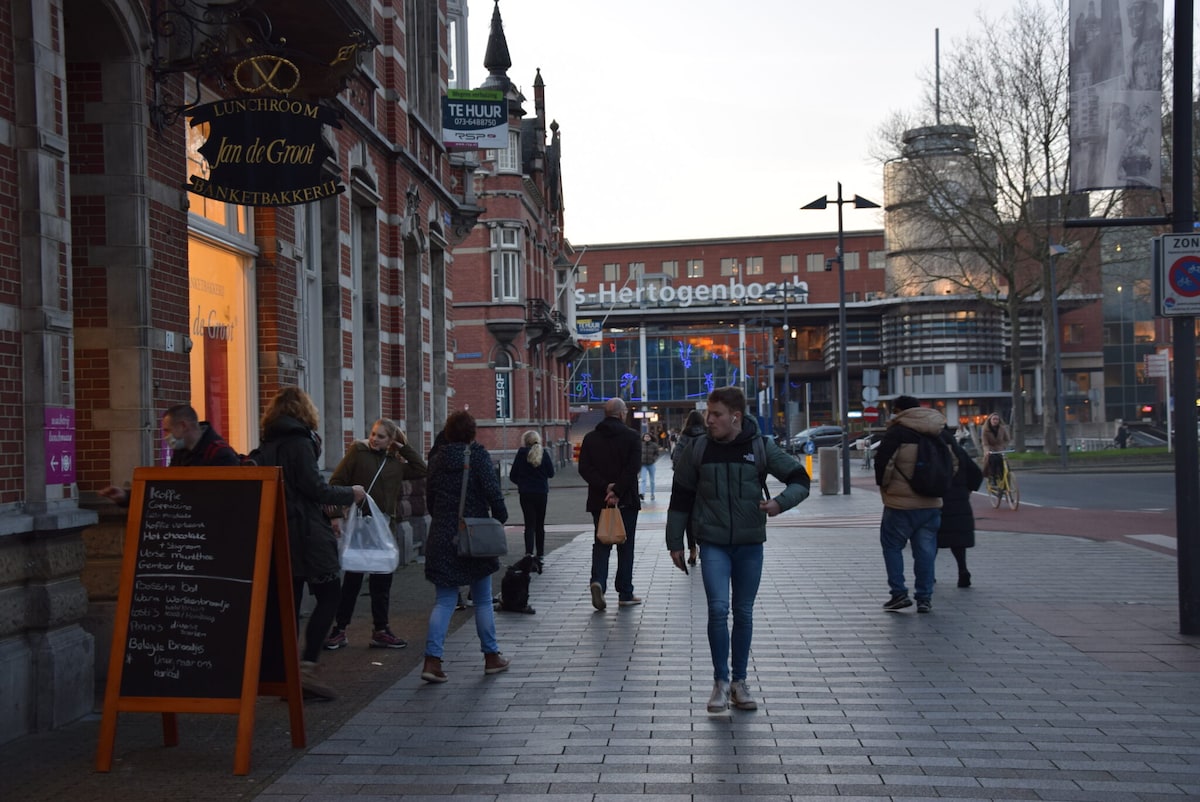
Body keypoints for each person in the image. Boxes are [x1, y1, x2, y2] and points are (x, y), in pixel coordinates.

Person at [666, 386, 810, 713]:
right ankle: (720, 681)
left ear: (735, 417)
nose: (709, 420)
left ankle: (739, 683)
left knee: (743, 612)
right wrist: (675, 542)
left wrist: (780, 503)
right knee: (718, 610)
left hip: (749, 545)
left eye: (716, 414)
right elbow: (681, 495)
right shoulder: (699, 448)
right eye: (708, 413)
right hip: (713, 543)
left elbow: (800, 480)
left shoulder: (760, 447)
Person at [258, 386, 365, 700]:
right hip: (306, 534)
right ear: (304, 411)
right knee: (330, 595)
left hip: (280, 533)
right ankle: (306, 668)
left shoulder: (268, 443)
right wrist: (351, 493)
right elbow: (315, 488)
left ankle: (287, 674)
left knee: (288, 604)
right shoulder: (299, 442)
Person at [420, 410, 510, 683]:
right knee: (482, 599)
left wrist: (444, 519)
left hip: (442, 537)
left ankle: (432, 661)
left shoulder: (437, 459)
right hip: (474, 536)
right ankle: (491, 656)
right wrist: (500, 517)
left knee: (445, 601)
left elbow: (430, 499)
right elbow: (493, 492)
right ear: (472, 432)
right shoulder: (478, 457)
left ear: (447, 432)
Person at [324, 418, 428, 651]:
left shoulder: (396, 464)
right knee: (352, 581)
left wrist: (403, 447)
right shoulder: (358, 453)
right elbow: (336, 482)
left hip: (384, 529)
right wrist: (335, 515)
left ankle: (381, 630)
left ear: (390, 440)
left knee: (382, 583)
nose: (374, 439)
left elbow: (421, 469)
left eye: (381, 436)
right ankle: (339, 629)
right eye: (373, 434)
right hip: (361, 528)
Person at [874, 395, 950, 615]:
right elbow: (953, 463)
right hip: (931, 503)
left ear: (899, 410)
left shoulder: (897, 432)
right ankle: (924, 598)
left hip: (900, 504)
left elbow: (883, 465)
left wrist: (887, 488)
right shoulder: (939, 431)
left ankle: (899, 594)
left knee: (892, 546)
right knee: (925, 551)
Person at [100, 404, 240, 504]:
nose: (166, 436)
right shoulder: (181, 452)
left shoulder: (219, 454)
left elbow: (226, 499)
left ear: (183, 426)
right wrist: (127, 497)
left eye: (168, 430)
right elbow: (167, 490)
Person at [578, 397, 642, 611]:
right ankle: (625, 592)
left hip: (600, 500)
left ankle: (598, 581)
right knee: (626, 545)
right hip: (627, 501)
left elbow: (584, 468)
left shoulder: (590, 438)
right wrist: (618, 490)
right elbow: (633, 468)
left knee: (601, 542)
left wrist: (605, 487)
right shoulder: (632, 437)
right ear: (622, 413)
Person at [937, 425, 984, 589]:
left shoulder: (931, 449)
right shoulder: (958, 451)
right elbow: (976, 473)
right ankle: (962, 569)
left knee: (930, 538)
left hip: (936, 501)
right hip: (959, 502)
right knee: (957, 541)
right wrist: (967, 489)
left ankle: (929, 574)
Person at [509, 430, 555, 563]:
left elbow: (513, 475)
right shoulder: (543, 453)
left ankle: (528, 553)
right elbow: (551, 473)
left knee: (529, 524)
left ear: (525, 441)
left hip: (526, 494)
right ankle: (540, 554)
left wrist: (522, 483)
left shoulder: (521, 454)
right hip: (541, 493)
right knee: (540, 524)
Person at [672, 409, 707, 566]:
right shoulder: (708, 436)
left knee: (689, 520)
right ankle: (706, 547)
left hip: (688, 486)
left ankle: (692, 550)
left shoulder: (684, 437)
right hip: (706, 485)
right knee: (707, 516)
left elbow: (676, 459)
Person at [981, 413, 1011, 478]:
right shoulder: (985, 430)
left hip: (1000, 448)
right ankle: (992, 476)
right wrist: (987, 451)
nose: (995, 421)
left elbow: (1007, 439)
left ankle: (1006, 475)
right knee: (992, 460)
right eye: (994, 419)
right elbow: (985, 443)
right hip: (990, 449)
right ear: (990, 420)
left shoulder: (1002, 429)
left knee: (1003, 461)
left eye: (997, 419)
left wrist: (1003, 446)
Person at [639, 431, 661, 500]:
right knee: (643, 479)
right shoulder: (640, 445)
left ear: (650, 438)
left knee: (652, 480)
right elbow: (638, 453)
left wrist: (653, 459)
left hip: (651, 464)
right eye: (645, 436)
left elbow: (657, 453)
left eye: (648, 437)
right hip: (643, 465)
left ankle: (652, 494)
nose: (647, 438)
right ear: (643, 438)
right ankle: (642, 493)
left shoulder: (654, 445)